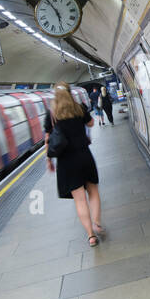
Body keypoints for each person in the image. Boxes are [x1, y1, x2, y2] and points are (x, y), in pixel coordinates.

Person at [46, 83, 104, 246]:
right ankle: (97, 223)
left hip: (66, 161)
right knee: (93, 191)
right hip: (84, 155)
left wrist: (49, 159)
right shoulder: (79, 108)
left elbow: (48, 139)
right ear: (70, 93)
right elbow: (91, 123)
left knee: (80, 200)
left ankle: (91, 236)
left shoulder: (52, 114)